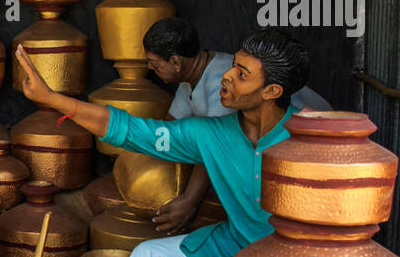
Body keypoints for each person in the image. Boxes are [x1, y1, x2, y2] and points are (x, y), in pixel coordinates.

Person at [14, 29, 312, 257]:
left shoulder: (308, 138)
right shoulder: (211, 132)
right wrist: (53, 99)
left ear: (272, 91)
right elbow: (132, 130)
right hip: (233, 244)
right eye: (232, 66)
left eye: (242, 74)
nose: (227, 76)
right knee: (147, 256)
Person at [140, 17, 332, 234]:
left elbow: (218, 145)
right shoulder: (190, 81)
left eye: (155, 64)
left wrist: (189, 200)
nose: (228, 76)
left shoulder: (226, 87)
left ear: (175, 62)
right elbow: (169, 129)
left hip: (306, 150)